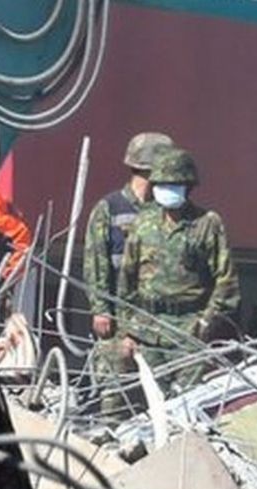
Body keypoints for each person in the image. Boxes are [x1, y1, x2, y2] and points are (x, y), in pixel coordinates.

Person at [117, 145, 240, 392]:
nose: (167, 190)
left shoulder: (207, 224)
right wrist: (127, 330)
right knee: (155, 403)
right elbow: (126, 282)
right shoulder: (143, 224)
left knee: (185, 401)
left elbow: (226, 282)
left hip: (189, 331)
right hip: (147, 331)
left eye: (174, 184)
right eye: (162, 183)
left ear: (188, 186)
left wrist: (205, 323)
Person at [83, 132, 174, 339]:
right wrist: (101, 309)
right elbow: (96, 263)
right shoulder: (109, 208)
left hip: (159, 320)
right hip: (119, 316)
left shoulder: (167, 210)